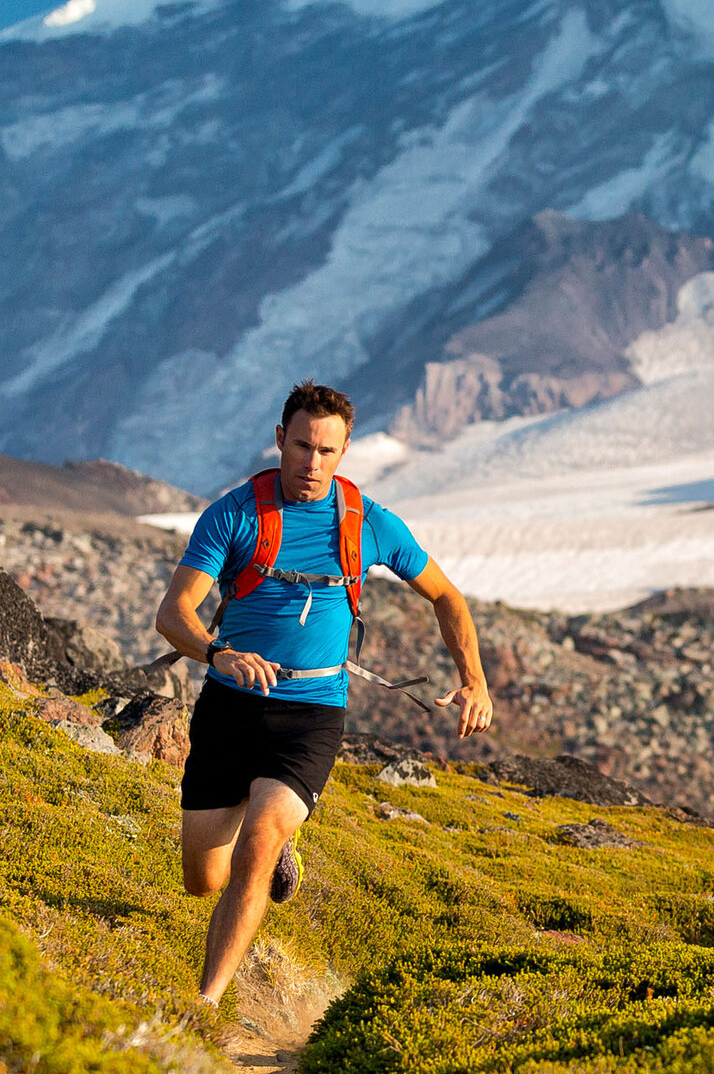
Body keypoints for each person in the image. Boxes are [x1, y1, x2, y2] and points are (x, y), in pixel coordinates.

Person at [154, 380, 493, 1005]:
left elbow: (446, 595)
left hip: (311, 713)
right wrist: (219, 652)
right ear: (280, 440)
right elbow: (173, 614)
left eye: (327, 451)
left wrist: (474, 679)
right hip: (229, 706)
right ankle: (274, 845)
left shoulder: (369, 524)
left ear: (344, 452)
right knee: (203, 880)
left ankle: (205, 1003)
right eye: (302, 446)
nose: (312, 463)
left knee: (257, 846)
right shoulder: (234, 515)